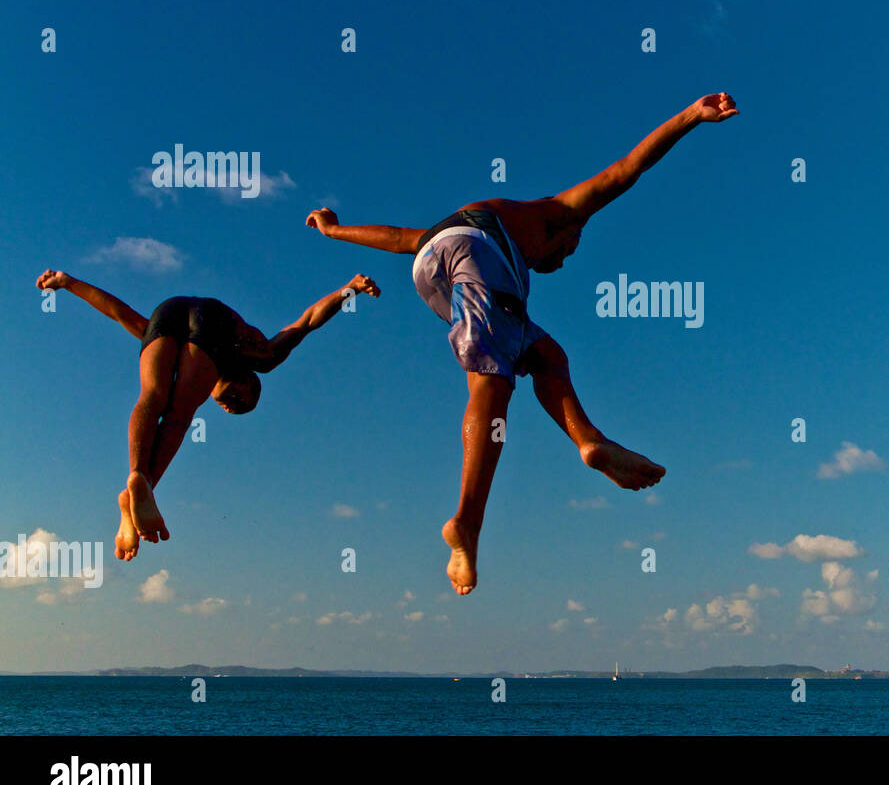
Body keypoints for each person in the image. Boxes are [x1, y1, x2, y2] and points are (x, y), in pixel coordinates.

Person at [305, 92, 739, 594]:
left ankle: (590, 440)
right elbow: (627, 169)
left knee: (542, 353)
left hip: (432, 268)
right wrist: (690, 116)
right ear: (567, 230)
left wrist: (335, 232)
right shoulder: (556, 213)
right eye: (568, 251)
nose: (562, 261)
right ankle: (467, 522)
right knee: (492, 380)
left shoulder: (482, 226)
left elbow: (400, 237)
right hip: (477, 256)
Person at [34, 269, 381, 561]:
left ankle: (137, 478)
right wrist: (347, 290)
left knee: (153, 395)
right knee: (181, 411)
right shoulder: (260, 357)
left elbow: (119, 312)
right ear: (251, 383)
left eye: (230, 408)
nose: (231, 404)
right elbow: (305, 323)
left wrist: (68, 283)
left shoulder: (194, 364)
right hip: (214, 324)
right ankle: (144, 487)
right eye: (243, 402)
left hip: (167, 311)